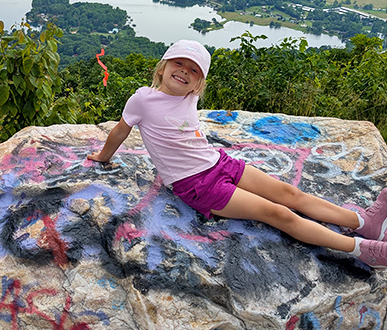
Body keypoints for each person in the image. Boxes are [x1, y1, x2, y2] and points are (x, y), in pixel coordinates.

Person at [88, 39, 387, 268]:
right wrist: (104, 156)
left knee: (289, 193)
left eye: (193, 70)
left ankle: (362, 224)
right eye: (178, 63)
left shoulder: (190, 97)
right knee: (278, 213)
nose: (183, 72)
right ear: (162, 66)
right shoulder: (143, 98)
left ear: (199, 82)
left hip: (219, 162)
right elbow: (120, 130)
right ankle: (361, 250)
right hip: (195, 185)